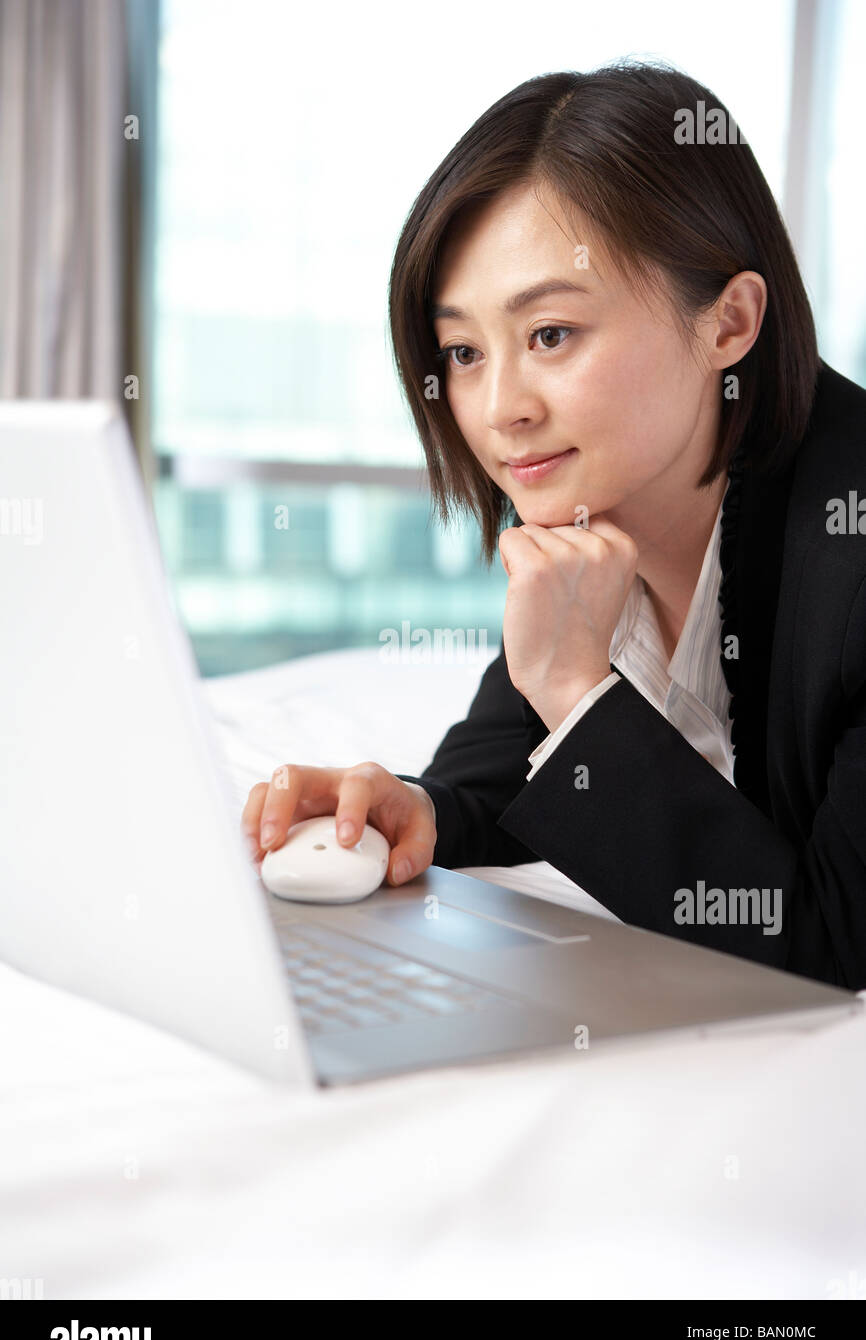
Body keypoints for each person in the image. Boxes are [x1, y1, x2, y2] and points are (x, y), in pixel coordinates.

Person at [242, 62, 866, 990]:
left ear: (729, 323)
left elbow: (832, 940)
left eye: (551, 335)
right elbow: (508, 769)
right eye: (462, 351)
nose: (498, 410)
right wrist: (413, 811)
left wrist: (577, 689)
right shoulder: (598, 518)